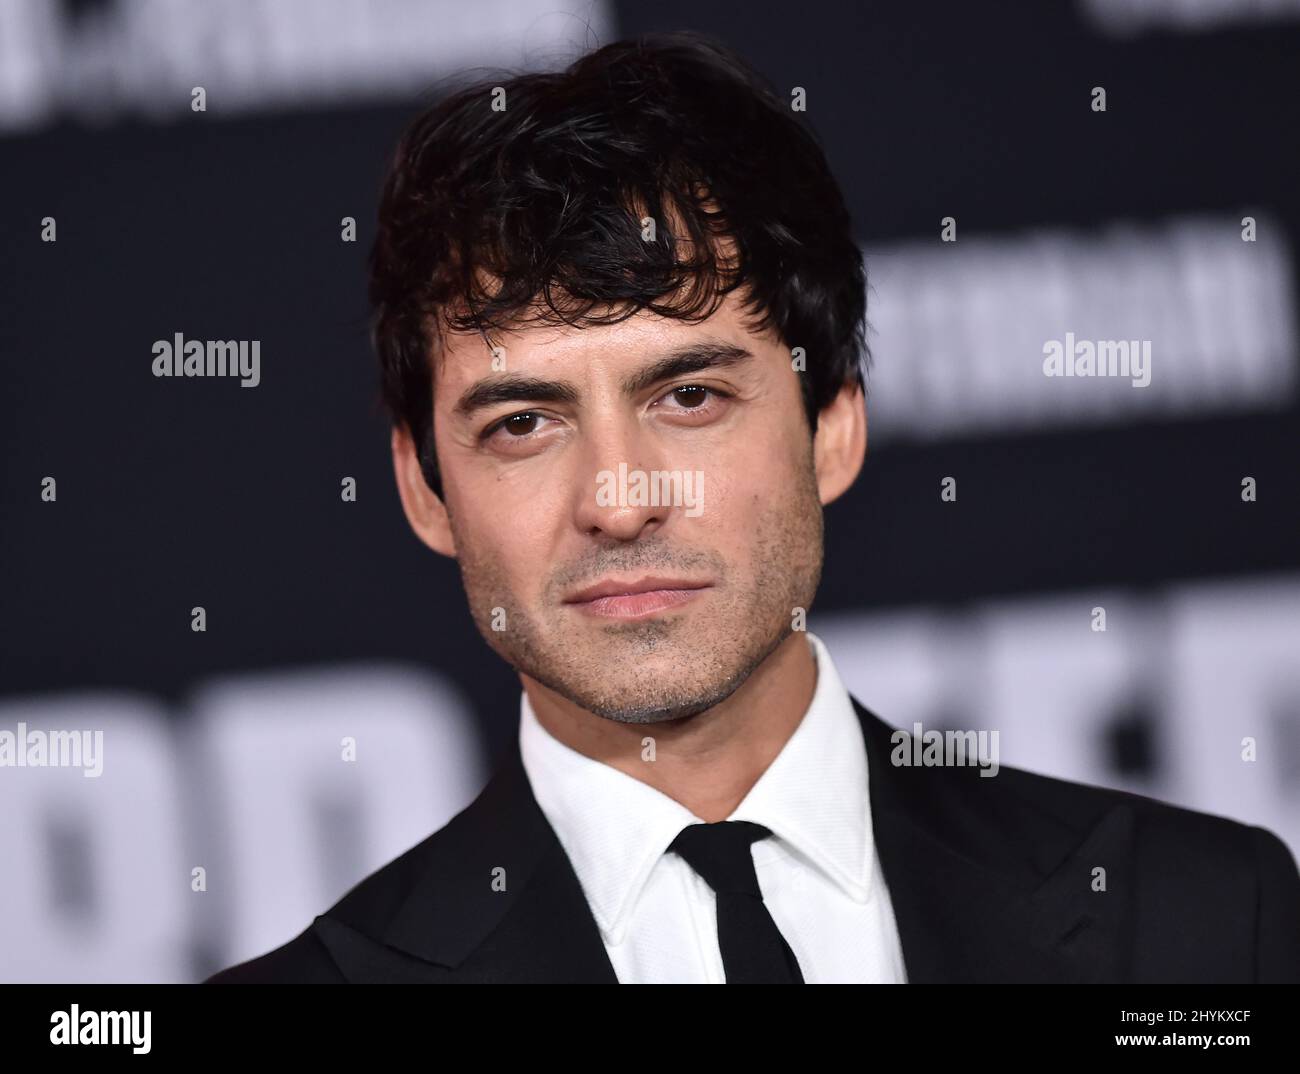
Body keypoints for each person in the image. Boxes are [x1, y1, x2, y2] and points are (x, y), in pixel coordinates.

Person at [207, 31, 1300, 984]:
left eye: (688, 396)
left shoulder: (1199, 919)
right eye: (523, 424)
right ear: (421, 486)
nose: (618, 500)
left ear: (831, 424)